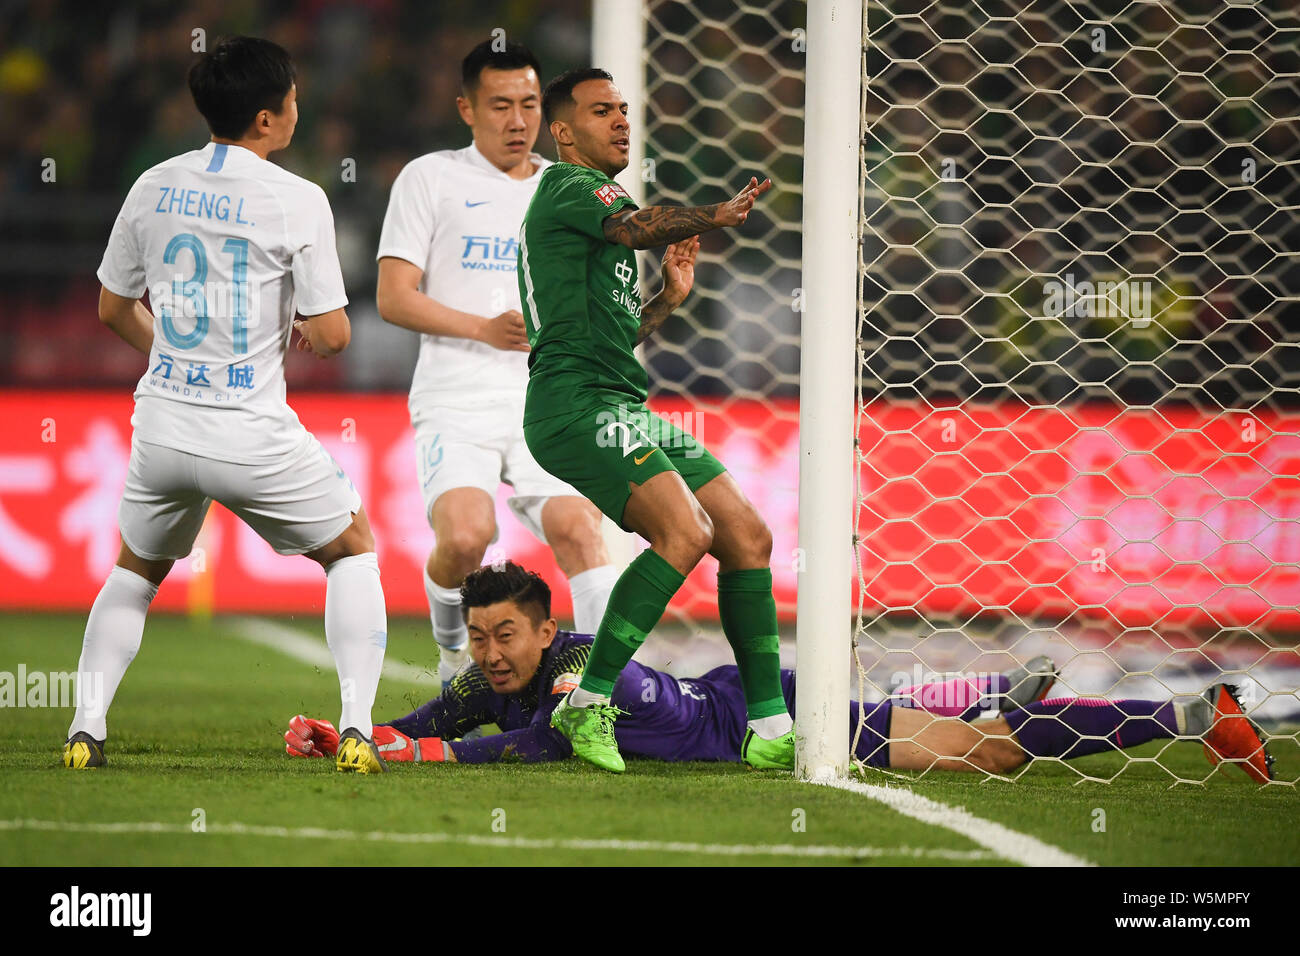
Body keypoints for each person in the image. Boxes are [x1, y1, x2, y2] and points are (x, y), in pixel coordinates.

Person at [65, 36, 389, 774]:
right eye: (295, 99)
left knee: (135, 571)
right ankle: (359, 730)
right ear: (271, 119)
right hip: (250, 434)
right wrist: (309, 326)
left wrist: (181, 361)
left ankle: (85, 729)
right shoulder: (298, 198)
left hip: (163, 426)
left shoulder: (151, 184)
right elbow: (336, 336)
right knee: (351, 549)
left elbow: (113, 308)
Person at [284, 563, 1274, 784]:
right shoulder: (484, 676)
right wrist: (356, 731)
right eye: (484, 636)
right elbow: (429, 712)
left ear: (550, 628)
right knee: (987, 746)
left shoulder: (583, 665)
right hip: (740, 701)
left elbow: (530, 741)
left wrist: (426, 753)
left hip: (765, 717)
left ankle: (1194, 710)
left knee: (989, 757)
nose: (492, 651)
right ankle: (986, 697)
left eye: (510, 634)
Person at [515, 67, 790, 774]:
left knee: (746, 536)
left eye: (624, 110)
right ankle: (586, 703)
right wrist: (715, 214)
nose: (620, 122)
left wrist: (667, 299)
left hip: (617, 402)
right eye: (601, 111)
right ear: (563, 131)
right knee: (684, 532)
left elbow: (610, 337)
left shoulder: (588, 215)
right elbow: (637, 225)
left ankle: (769, 725)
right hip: (574, 408)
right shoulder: (574, 189)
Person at [376, 42, 617, 688]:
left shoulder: (568, 188)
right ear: (466, 108)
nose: (518, 121)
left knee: (581, 530)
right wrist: (482, 328)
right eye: (501, 105)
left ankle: (598, 688)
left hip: (548, 400)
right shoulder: (429, 179)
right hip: (457, 398)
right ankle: (455, 655)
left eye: (530, 105)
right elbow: (393, 297)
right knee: (465, 539)